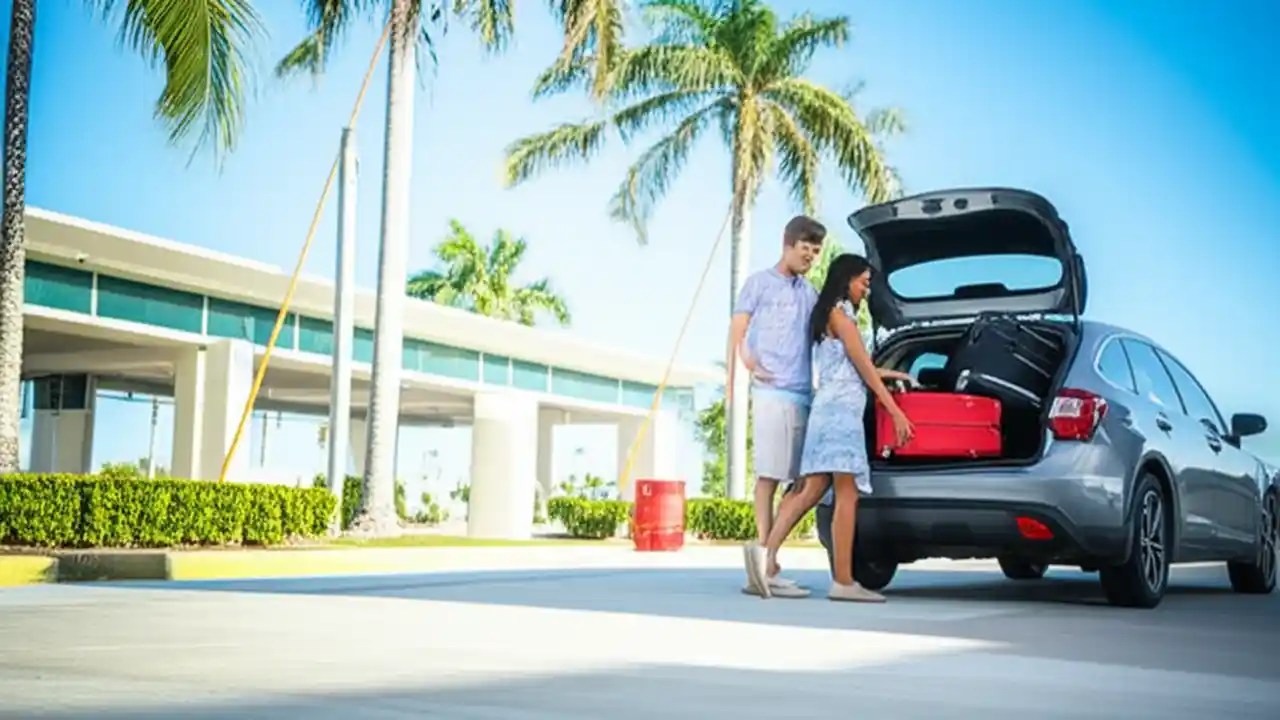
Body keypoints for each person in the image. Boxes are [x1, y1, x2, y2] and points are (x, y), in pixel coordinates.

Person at [748, 253, 915, 602]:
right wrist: (895, 411)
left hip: (828, 410)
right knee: (847, 494)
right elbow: (864, 369)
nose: (866, 290)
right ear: (847, 279)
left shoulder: (831, 315)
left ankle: (765, 556)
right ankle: (843, 582)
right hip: (840, 415)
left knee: (809, 490)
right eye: (863, 283)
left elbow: (853, 365)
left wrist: (893, 374)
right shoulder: (841, 315)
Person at [727, 215, 825, 599]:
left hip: (803, 392)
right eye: (806, 249)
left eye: (816, 251)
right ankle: (765, 564)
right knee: (768, 475)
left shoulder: (810, 292)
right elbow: (737, 329)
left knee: (798, 480)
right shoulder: (758, 283)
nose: (812, 257)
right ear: (788, 245)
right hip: (770, 393)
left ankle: (769, 558)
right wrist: (747, 362)